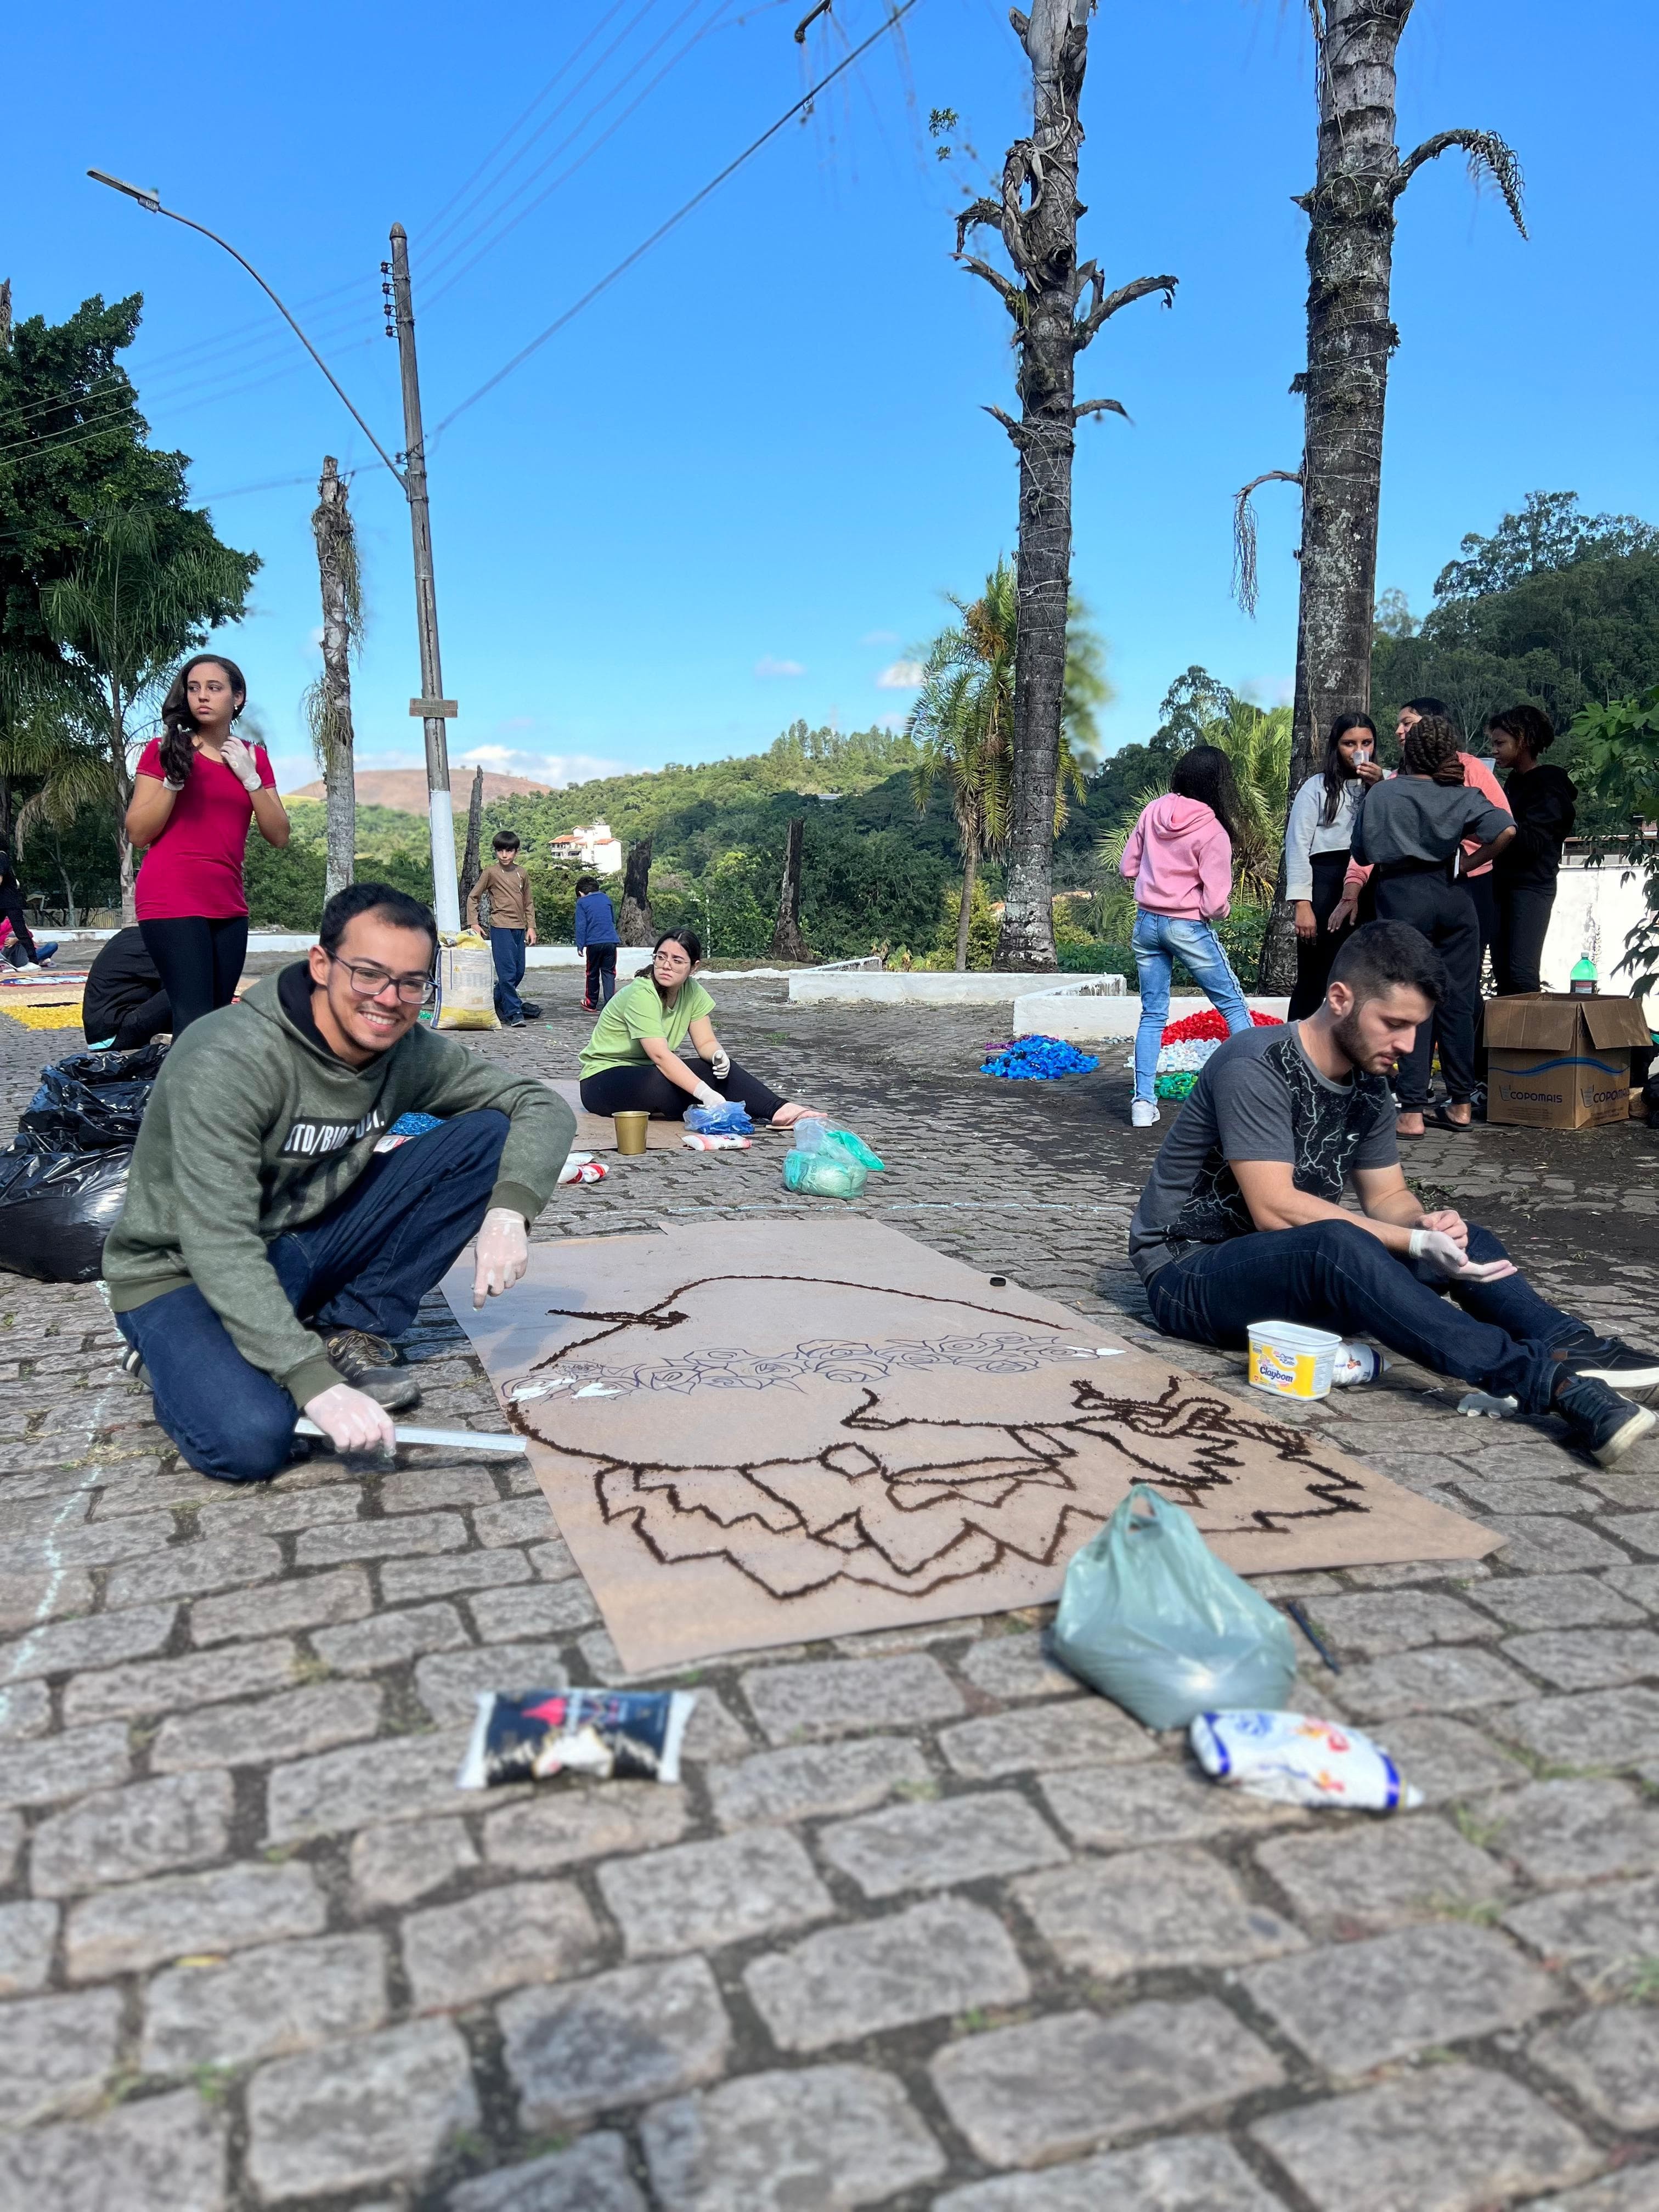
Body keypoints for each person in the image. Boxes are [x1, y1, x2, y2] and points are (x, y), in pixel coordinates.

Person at [1128, 919, 1659, 1468]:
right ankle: (1547, 1384)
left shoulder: (1369, 1083)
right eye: (1394, 1024)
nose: (1408, 1045)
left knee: (1462, 1238)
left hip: (1294, 1279)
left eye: (1416, 1028)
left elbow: (1389, 1200)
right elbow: (1275, 1208)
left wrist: (1428, 1228)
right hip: (1189, 1274)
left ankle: (1573, 1345)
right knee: (1335, 1242)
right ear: (1340, 999)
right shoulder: (1256, 1063)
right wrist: (1409, 1243)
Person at [103, 882, 574, 1483]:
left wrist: (510, 1213)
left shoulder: (408, 1051)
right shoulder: (228, 1058)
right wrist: (312, 1383)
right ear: (321, 965)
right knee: (250, 1440)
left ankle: (350, 1325)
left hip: (300, 1238)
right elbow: (218, 1240)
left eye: (411, 983)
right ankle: (166, 1357)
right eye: (368, 974)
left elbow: (539, 1104)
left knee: (486, 1132)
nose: (389, 1000)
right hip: (182, 1269)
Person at [1350, 714, 1514, 1136]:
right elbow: (1508, 831)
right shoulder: (1462, 794)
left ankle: (1411, 1111)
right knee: (1458, 1001)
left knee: (1409, 1002)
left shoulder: (1383, 794)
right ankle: (1460, 1104)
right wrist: (1470, 862)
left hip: (1401, 898)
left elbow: (1364, 852)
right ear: (1448, 753)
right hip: (1454, 897)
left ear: (1410, 750)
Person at [125, 654, 289, 1035]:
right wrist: (172, 784)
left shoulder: (254, 758)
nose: (202, 697)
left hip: (228, 902)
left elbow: (279, 834)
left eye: (215, 688)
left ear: (238, 698)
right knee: (194, 1015)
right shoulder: (164, 751)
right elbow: (138, 832)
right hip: (171, 896)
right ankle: (185, 1095)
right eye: (194, 688)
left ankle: (206, 1093)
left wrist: (251, 781)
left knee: (218, 1018)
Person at [1121, 745, 1255, 1130]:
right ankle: (1252, 1092)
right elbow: (1215, 903)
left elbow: (1127, 866)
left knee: (1153, 1015)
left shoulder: (1152, 811)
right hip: (1187, 927)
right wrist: (1219, 908)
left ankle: (1143, 1106)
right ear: (1219, 784)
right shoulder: (1213, 831)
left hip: (1146, 923)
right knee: (1232, 1005)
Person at [578, 927, 820, 1125]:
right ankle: (714, 1103)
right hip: (602, 1080)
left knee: (710, 1070)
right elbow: (661, 1056)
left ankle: (778, 1109)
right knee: (669, 1082)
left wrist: (718, 1055)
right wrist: (705, 1093)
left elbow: (705, 1042)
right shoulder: (642, 993)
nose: (666, 965)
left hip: (648, 1073)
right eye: (660, 957)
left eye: (677, 960)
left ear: (693, 967)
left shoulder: (692, 992)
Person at [1284, 714, 1385, 1022]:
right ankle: (1297, 1057)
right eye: (1349, 743)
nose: (1358, 750)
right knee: (1316, 977)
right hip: (1326, 880)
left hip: (1373, 881)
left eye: (1366, 743)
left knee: (1367, 977)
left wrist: (1380, 787)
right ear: (1336, 746)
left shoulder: (1387, 783)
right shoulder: (1316, 787)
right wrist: (1302, 904)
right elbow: (1298, 845)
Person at [1488, 704, 1577, 995]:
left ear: (1523, 740)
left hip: (1532, 886)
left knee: (1521, 971)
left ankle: (1527, 1039)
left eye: (1501, 743)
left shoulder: (1550, 783)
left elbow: (1534, 842)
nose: (1495, 750)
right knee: (1502, 971)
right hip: (1502, 883)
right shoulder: (1515, 781)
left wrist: (1494, 822)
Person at [465, 831, 540, 1028]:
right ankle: (514, 1012)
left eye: (509, 851)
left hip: (519, 928)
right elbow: (473, 897)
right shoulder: (490, 872)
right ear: (496, 852)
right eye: (500, 851)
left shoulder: (522, 873)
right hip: (500, 927)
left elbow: (528, 902)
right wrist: (474, 922)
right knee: (506, 974)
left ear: (516, 852)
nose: (504, 855)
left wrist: (531, 926)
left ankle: (494, 1000)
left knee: (518, 972)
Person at [83, 927, 171, 1051]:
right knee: (187, 987)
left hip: (102, 1032)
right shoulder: (148, 946)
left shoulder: (130, 936)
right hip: (115, 1033)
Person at [0, 851, 57, 972]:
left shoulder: (1, 856)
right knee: (20, 931)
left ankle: (34, 962)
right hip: (3, 902)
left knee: (20, 931)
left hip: (10, 901)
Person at [574, 874, 620, 1011]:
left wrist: (580, 945)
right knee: (609, 972)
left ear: (581, 893)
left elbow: (581, 925)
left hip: (594, 943)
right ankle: (611, 1005)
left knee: (592, 973)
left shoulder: (582, 903)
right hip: (611, 941)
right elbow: (612, 919)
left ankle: (591, 1002)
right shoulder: (606, 899)